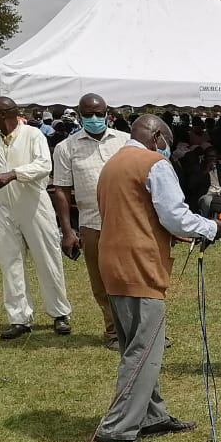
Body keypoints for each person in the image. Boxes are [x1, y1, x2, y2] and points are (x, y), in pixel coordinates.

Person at [92, 115, 221, 442]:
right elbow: (174, 215)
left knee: (134, 343)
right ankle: (118, 429)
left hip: (113, 262)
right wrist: (211, 228)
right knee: (145, 349)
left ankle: (151, 414)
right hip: (139, 265)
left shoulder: (113, 164)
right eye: (166, 139)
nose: (167, 146)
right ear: (155, 136)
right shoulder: (152, 164)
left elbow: (137, 213)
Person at [0, 97, 72, 340]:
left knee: (47, 259)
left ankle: (59, 314)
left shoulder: (33, 135)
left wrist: (14, 174)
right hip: (4, 209)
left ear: (5, 114)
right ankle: (19, 318)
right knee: (9, 263)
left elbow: (44, 165)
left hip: (34, 206)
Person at [51, 93, 130, 349]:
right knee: (102, 281)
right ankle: (113, 332)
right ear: (79, 114)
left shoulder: (126, 142)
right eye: (88, 114)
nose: (95, 118)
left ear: (108, 113)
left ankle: (146, 331)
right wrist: (67, 231)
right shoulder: (67, 148)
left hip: (128, 221)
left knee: (134, 277)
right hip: (92, 224)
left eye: (99, 113)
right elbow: (61, 190)